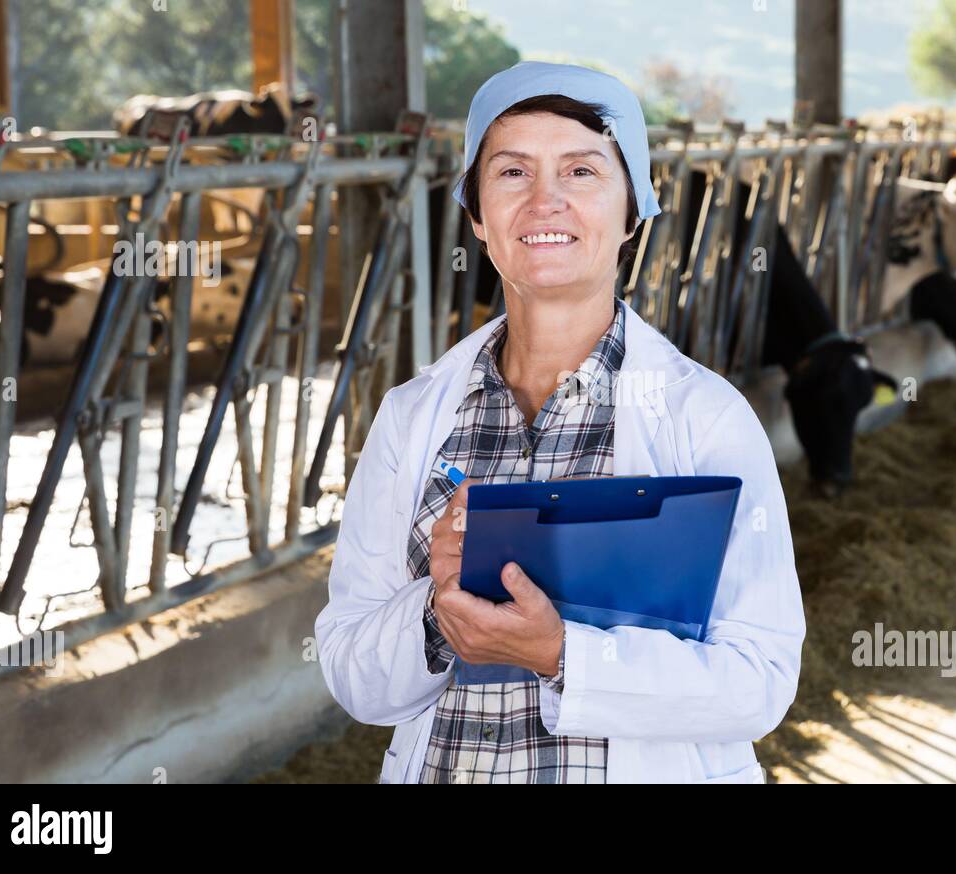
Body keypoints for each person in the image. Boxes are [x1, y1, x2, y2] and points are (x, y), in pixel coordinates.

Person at [314, 61, 805, 784]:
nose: (545, 201)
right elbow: (353, 677)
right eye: (512, 173)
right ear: (477, 216)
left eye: (581, 172)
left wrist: (560, 654)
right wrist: (435, 613)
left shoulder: (704, 419)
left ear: (631, 211)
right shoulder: (412, 416)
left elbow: (758, 679)